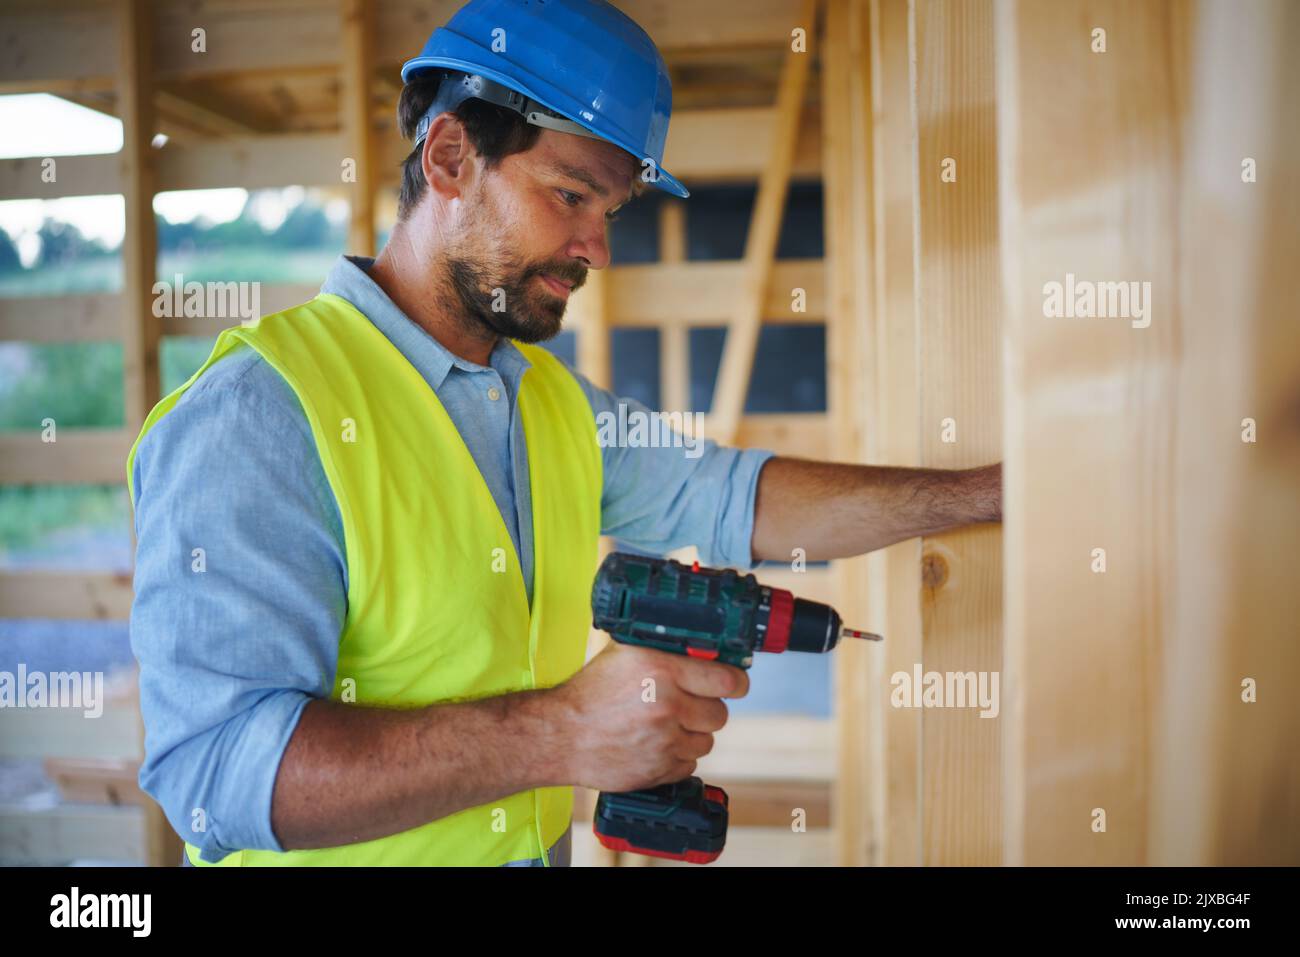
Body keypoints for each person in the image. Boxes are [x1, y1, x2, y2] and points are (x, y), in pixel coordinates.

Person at [127, 0, 1001, 867]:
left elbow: (739, 497)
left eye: (608, 211)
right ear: (449, 158)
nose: (597, 248)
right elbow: (211, 772)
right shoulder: (261, 411)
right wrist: (564, 732)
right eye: (570, 194)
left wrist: (983, 494)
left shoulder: (550, 401)